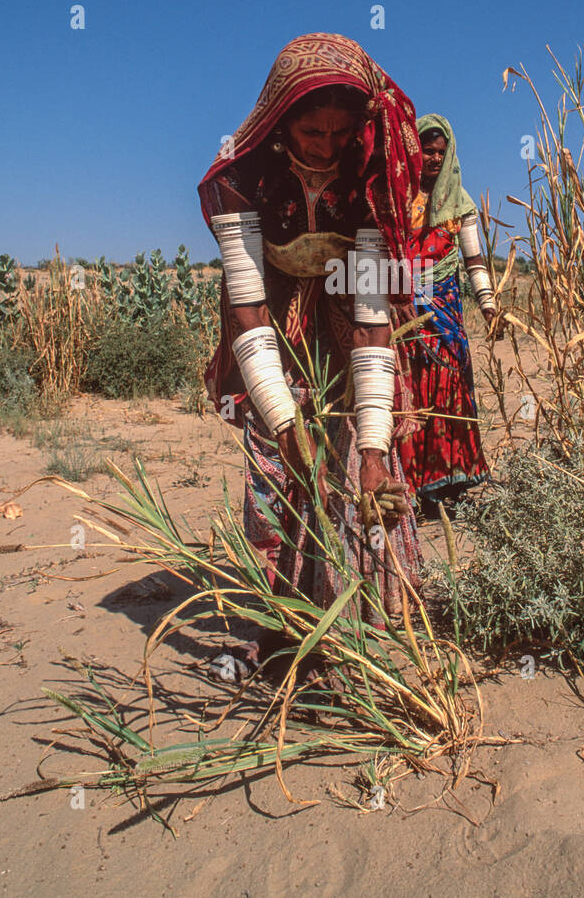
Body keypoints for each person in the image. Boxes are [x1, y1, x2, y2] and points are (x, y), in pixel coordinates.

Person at [197, 33, 423, 651]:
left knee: (357, 458)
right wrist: (286, 425)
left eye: (339, 133)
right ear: (280, 122)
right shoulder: (244, 177)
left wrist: (375, 449)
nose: (326, 147)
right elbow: (248, 314)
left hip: (346, 308)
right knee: (280, 461)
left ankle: (365, 619)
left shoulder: (368, 175)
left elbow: (374, 314)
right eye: (311, 134)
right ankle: (287, 626)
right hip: (275, 319)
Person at [398, 114, 495, 513]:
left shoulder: (460, 203)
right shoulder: (398, 199)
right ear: (414, 152)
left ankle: (451, 485)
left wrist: (487, 303)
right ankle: (416, 488)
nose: (434, 159)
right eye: (427, 151)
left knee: (449, 389)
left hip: (447, 314)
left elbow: (473, 260)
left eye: (441, 152)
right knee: (413, 391)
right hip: (406, 310)